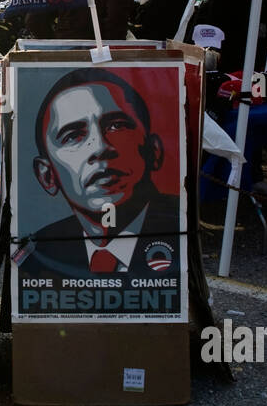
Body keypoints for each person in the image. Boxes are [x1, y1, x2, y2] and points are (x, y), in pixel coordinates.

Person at [20, 68, 182, 278]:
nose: (100, 147)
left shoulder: (180, 230)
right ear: (47, 176)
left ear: (154, 152)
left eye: (117, 126)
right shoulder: (39, 252)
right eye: (73, 135)